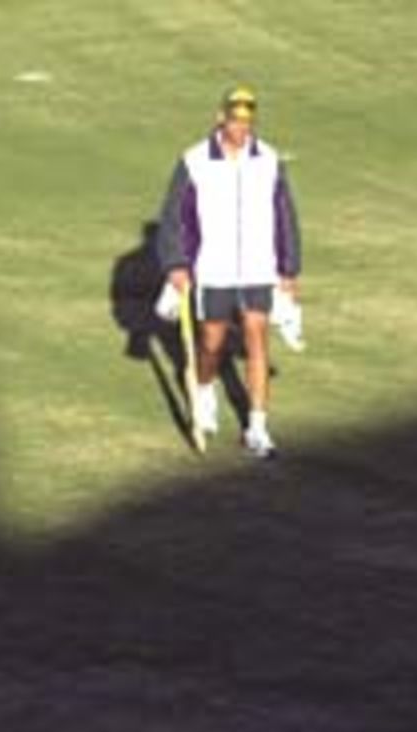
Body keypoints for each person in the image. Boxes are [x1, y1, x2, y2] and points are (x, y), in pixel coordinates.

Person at [155, 85, 301, 458]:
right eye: (236, 120)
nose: (242, 128)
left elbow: (284, 215)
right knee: (212, 343)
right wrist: (175, 264)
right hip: (214, 269)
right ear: (221, 118)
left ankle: (257, 427)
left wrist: (288, 269)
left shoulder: (268, 160)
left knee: (257, 337)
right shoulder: (194, 161)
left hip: (257, 267)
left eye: (247, 121)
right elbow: (174, 218)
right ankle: (204, 389)